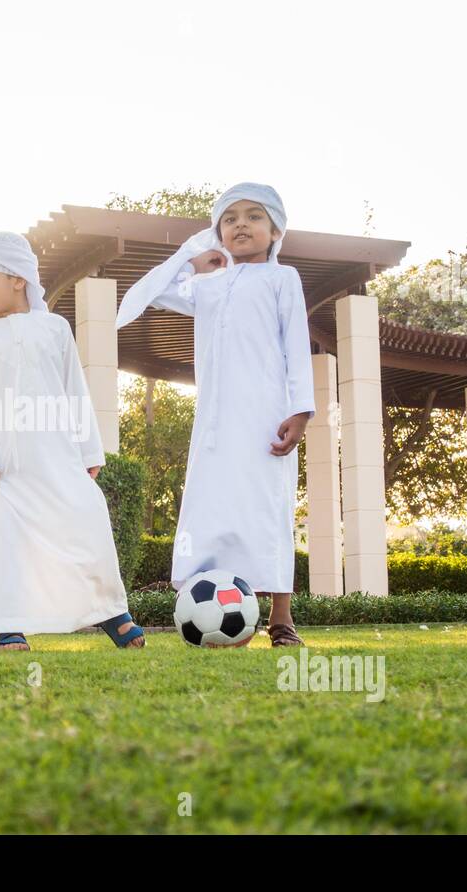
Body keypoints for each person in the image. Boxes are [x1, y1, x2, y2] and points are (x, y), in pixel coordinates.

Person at [116, 183, 315, 647]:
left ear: (275, 230)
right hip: (214, 423)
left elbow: (296, 347)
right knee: (212, 510)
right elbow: (145, 295)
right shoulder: (205, 286)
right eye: (229, 219)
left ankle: (281, 619)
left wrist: (300, 411)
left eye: (253, 216)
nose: (241, 225)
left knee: (269, 510)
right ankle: (217, 611)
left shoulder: (283, 279)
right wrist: (191, 262)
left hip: (268, 416)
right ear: (217, 231)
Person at [0, 232, 144, 652]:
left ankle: (111, 611)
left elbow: (76, 390)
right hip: (7, 465)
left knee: (87, 523)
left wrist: (89, 451)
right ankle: (10, 624)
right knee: (8, 543)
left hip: (59, 455)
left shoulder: (55, 328)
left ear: (18, 278)